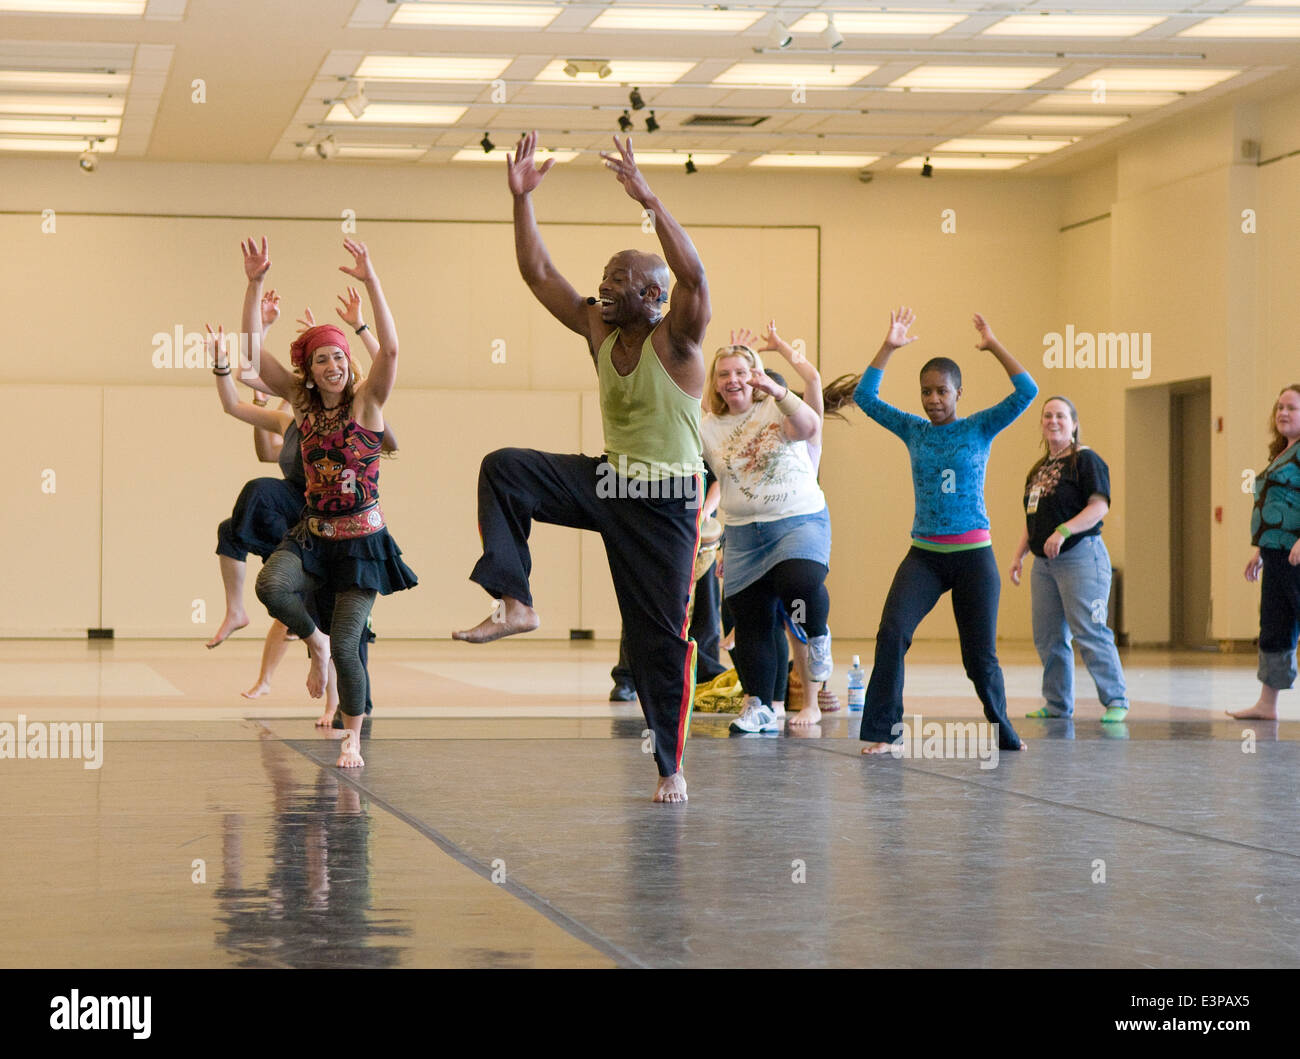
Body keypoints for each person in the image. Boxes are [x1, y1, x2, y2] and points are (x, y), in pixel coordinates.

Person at [453, 132, 709, 805]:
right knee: (504, 468)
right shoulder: (599, 327)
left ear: (653, 296)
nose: (604, 284)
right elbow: (540, 274)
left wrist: (649, 199)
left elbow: (696, 277)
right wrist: (521, 202)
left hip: (666, 502)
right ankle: (516, 601)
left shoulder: (675, 338)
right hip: (610, 481)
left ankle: (670, 765)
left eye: (620, 279)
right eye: (605, 274)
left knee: (658, 639)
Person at [240, 235, 417, 767]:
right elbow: (251, 355)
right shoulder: (299, 402)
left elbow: (390, 350)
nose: (331, 365)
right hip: (313, 536)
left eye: (338, 357)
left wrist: (371, 284)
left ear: (348, 363)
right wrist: (254, 284)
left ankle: (353, 734)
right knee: (271, 585)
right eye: (321, 360)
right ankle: (310, 639)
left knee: (349, 646)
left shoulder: (368, 404)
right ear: (310, 371)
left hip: (361, 544)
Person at [855, 308, 1034, 755]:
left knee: (979, 658)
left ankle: (1002, 726)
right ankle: (883, 732)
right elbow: (865, 396)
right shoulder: (913, 429)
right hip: (925, 557)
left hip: (974, 557)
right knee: (892, 632)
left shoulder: (980, 427)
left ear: (958, 392)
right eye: (926, 392)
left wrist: (994, 346)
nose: (933, 399)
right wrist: (889, 347)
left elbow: (1026, 390)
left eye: (942, 391)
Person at [699, 322, 833, 734]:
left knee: (800, 579)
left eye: (741, 372)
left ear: (755, 374)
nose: (732, 380)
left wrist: (777, 389)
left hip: (797, 520)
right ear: (716, 383)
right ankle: (759, 706)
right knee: (750, 617)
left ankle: (818, 636)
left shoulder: (776, 408)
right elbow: (708, 472)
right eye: (724, 374)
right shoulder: (706, 425)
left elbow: (810, 428)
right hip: (742, 534)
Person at [1008, 397, 1129, 723]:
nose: (1053, 421)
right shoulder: (1039, 469)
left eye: (1061, 415)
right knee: (1048, 636)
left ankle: (1116, 699)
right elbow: (1032, 517)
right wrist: (1019, 554)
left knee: (1089, 629)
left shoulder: (1086, 461)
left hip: (1080, 556)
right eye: (1048, 415)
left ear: (1073, 423)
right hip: (1044, 565)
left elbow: (1099, 506)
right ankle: (1057, 703)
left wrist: (1063, 531)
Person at [1232, 384, 1300, 721]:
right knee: (1274, 627)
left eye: (1292, 408)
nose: (1283, 413)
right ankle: (1267, 704)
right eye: (1280, 408)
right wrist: (1260, 550)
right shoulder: (1281, 453)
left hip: (1297, 554)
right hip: (1276, 555)